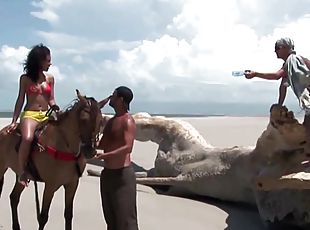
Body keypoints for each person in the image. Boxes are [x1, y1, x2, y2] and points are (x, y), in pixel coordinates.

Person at [6, 44, 59, 187]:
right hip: (31, 114)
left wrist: (56, 108)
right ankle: (22, 171)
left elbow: (52, 99)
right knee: (28, 138)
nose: (50, 63)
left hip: (46, 115)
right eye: (48, 60)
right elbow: (20, 100)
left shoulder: (50, 79)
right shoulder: (25, 78)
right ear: (39, 61)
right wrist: (14, 121)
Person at [94, 86, 139, 230]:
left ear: (120, 99)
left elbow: (128, 147)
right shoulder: (112, 121)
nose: (110, 98)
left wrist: (106, 155)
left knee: (126, 220)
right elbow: (102, 144)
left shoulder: (128, 120)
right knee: (111, 219)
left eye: (113, 95)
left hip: (122, 176)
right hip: (107, 175)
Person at [244, 37, 310, 129]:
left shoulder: (293, 60)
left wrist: (255, 74)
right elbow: (283, 86)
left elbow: (276, 76)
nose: (275, 51)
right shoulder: (289, 66)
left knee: (307, 128)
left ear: (285, 48)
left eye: (277, 48)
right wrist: (279, 105)